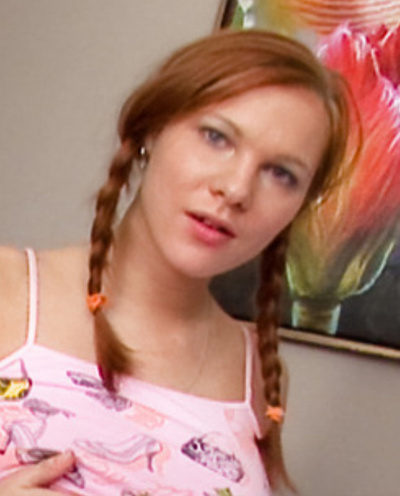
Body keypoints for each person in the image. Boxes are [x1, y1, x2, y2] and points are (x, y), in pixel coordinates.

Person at [0, 28, 351, 496]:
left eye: (281, 173)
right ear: (152, 130)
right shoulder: (10, 288)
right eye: (216, 137)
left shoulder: (257, 377)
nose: (237, 189)